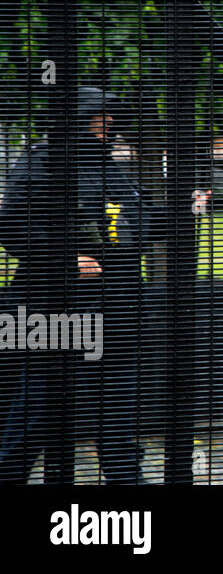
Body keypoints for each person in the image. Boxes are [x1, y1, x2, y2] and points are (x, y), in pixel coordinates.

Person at [0, 86, 149, 484]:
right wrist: (65, 260)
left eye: (111, 120)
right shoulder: (42, 162)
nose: (108, 126)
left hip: (115, 311)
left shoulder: (110, 167)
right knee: (38, 412)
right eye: (99, 118)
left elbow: (134, 223)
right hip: (55, 313)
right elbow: (12, 226)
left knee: (116, 417)